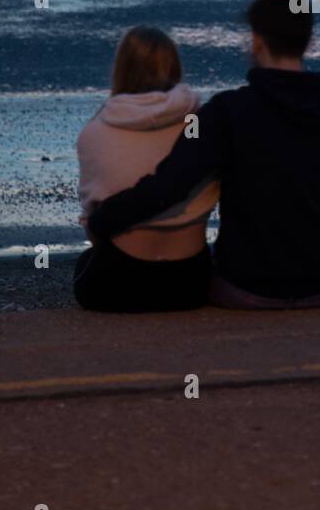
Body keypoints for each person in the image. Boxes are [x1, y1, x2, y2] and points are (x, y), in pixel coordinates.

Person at [87, 0, 320, 309]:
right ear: (309, 41)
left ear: (257, 41)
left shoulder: (225, 113)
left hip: (248, 285)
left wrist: (104, 218)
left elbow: (169, 187)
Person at [75, 26, 219, 311]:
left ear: (121, 69)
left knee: (84, 263)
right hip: (191, 280)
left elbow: (94, 228)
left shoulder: (93, 133)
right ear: (175, 66)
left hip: (119, 283)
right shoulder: (204, 125)